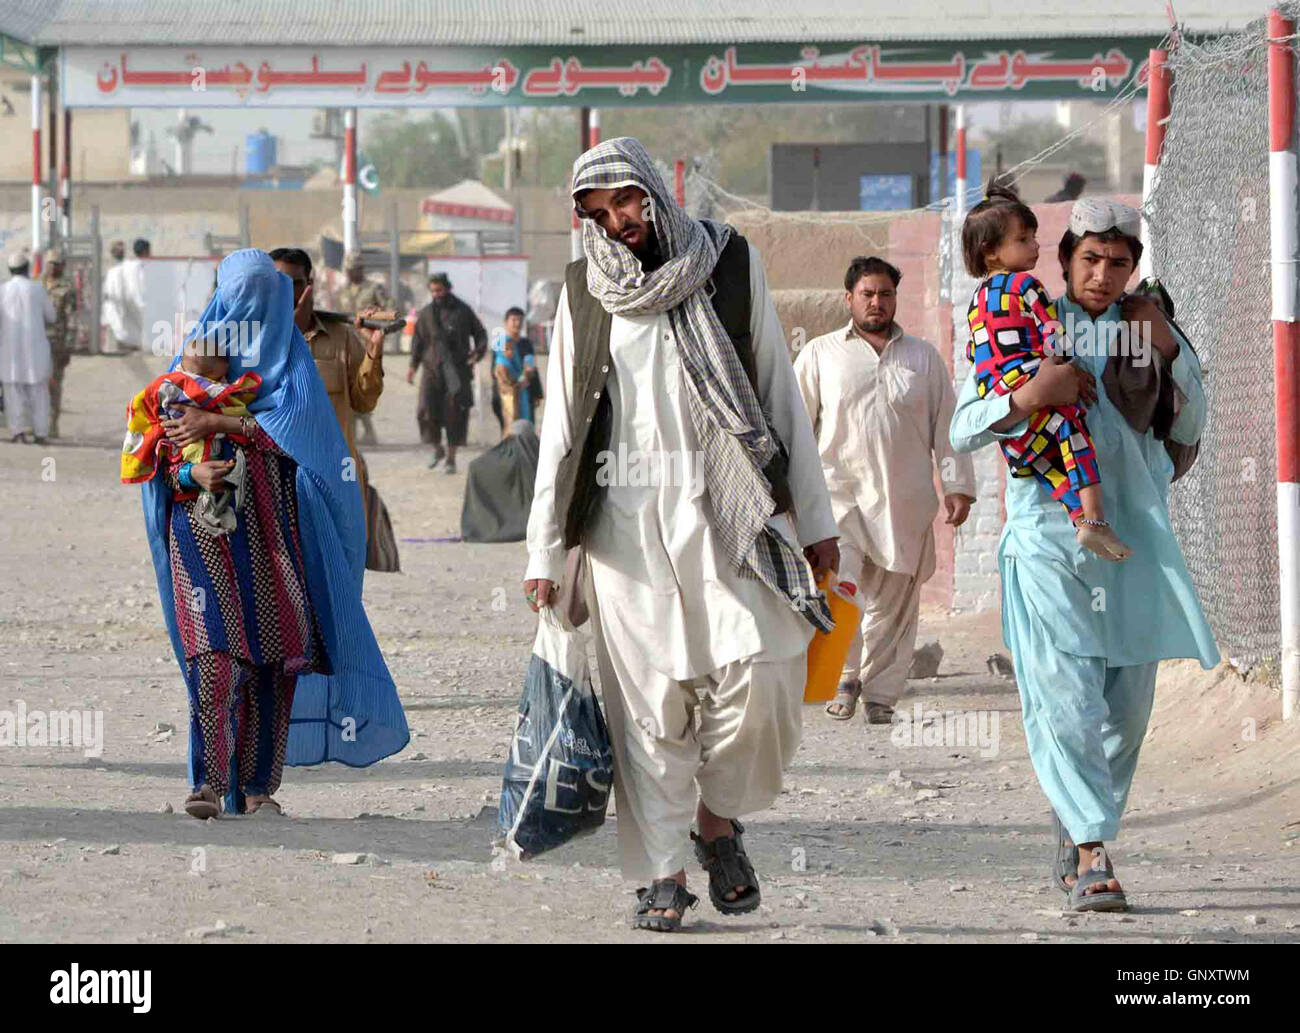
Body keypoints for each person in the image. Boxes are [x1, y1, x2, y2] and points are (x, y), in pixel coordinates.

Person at [524, 137, 839, 931]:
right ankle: (662, 873)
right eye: (598, 212)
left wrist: (817, 516)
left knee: (765, 674)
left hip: (730, 513)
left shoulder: (730, 262)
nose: (617, 221)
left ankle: (717, 818)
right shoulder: (584, 290)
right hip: (623, 529)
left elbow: (779, 391)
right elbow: (561, 425)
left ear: (653, 191)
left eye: (625, 200)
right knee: (648, 711)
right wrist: (543, 551)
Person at [949, 197, 1218, 912]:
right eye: (1090, 259)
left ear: (1135, 267)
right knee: (1064, 692)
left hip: (1134, 543)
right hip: (1049, 538)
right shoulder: (1024, 317)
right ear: (1064, 259)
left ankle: (1078, 823)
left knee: (1125, 709)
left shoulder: (1146, 327)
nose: (1103, 274)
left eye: (1119, 262)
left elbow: (1192, 419)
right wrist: (1031, 392)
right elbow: (965, 425)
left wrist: (1164, 346)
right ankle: (1095, 850)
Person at [131, 248, 409, 819]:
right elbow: (154, 451)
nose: (249, 312)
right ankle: (207, 782)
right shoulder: (189, 366)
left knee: (272, 657)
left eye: (265, 297)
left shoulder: (294, 371)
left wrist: (222, 423)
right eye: (240, 298)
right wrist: (192, 465)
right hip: (201, 529)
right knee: (213, 649)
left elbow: (303, 440)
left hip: (278, 531)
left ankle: (258, 788)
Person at [795, 256, 976, 725]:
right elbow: (794, 426)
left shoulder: (923, 358)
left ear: (896, 298)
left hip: (905, 500)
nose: (877, 303)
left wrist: (957, 486)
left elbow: (948, 428)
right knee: (842, 588)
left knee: (895, 607)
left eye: (885, 294)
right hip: (839, 497)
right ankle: (844, 677)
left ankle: (880, 695)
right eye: (867, 294)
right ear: (848, 298)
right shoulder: (819, 354)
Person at [963, 183, 1131, 562]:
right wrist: (1070, 371)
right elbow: (1052, 330)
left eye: (1034, 237)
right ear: (991, 251)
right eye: (1024, 239)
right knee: (1075, 443)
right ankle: (1094, 518)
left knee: (1046, 468)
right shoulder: (1026, 285)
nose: (1035, 246)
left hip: (1003, 405)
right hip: (1035, 383)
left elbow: (974, 351)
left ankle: (1081, 522)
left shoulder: (976, 301)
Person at [268, 248, 385, 533]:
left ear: (310, 284)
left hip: (334, 476)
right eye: (277, 282)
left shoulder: (341, 337)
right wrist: (289, 334)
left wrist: (373, 349)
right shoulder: (256, 340)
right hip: (275, 481)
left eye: (295, 283)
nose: (287, 291)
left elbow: (364, 402)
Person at [121, 335, 263, 536]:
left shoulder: (294, 374)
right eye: (219, 378)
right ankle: (209, 505)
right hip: (193, 526)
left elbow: (289, 438)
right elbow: (164, 464)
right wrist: (191, 474)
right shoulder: (178, 392)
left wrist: (214, 422)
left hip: (262, 521)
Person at [407, 272, 487, 474]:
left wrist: (476, 354)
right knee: (424, 411)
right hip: (432, 372)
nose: (437, 294)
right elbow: (417, 342)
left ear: (448, 288)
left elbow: (481, 334)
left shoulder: (463, 311)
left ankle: (451, 459)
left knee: (455, 415)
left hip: (457, 372)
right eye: (433, 290)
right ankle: (437, 449)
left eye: (440, 290)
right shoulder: (425, 315)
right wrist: (412, 367)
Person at [335, 250, 389, 447]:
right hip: (345, 343)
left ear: (361, 270)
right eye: (348, 270)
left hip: (367, 344)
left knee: (363, 385)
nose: (350, 273)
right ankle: (358, 433)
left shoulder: (374, 289)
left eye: (354, 269)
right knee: (348, 387)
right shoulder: (343, 291)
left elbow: (391, 309)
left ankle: (366, 432)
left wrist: (377, 315)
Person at [1, 252, 56, 444]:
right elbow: (52, 316)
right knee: (39, 394)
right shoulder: (38, 289)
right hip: (36, 352)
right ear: (26, 268)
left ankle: (18, 432)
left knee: (13, 393)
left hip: (9, 353)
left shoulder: (2, 291)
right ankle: (40, 433)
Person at [41, 249, 78, 439]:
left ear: (62, 266)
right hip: (37, 343)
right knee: (36, 383)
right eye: (49, 263)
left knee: (53, 385)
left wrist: (68, 347)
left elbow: (72, 320)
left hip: (57, 345)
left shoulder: (67, 288)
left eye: (56, 263)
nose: (52, 267)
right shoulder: (37, 285)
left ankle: (51, 424)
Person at [491, 306, 539, 430]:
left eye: (520, 320)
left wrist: (536, 392)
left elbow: (532, 366)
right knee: (509, 429)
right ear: (506, 322)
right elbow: (496, 370)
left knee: (526, 428)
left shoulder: (526, 343)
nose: (517, 323)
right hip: (506, 393)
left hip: (526, 392)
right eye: (514, 320)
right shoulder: (500, 343)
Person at [102, 238, 146, 353]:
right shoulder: (113, 271)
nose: (119, 251)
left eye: (120, 249)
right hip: (116, 311)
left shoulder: (129, 267)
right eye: (117, 249)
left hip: (128, 308)